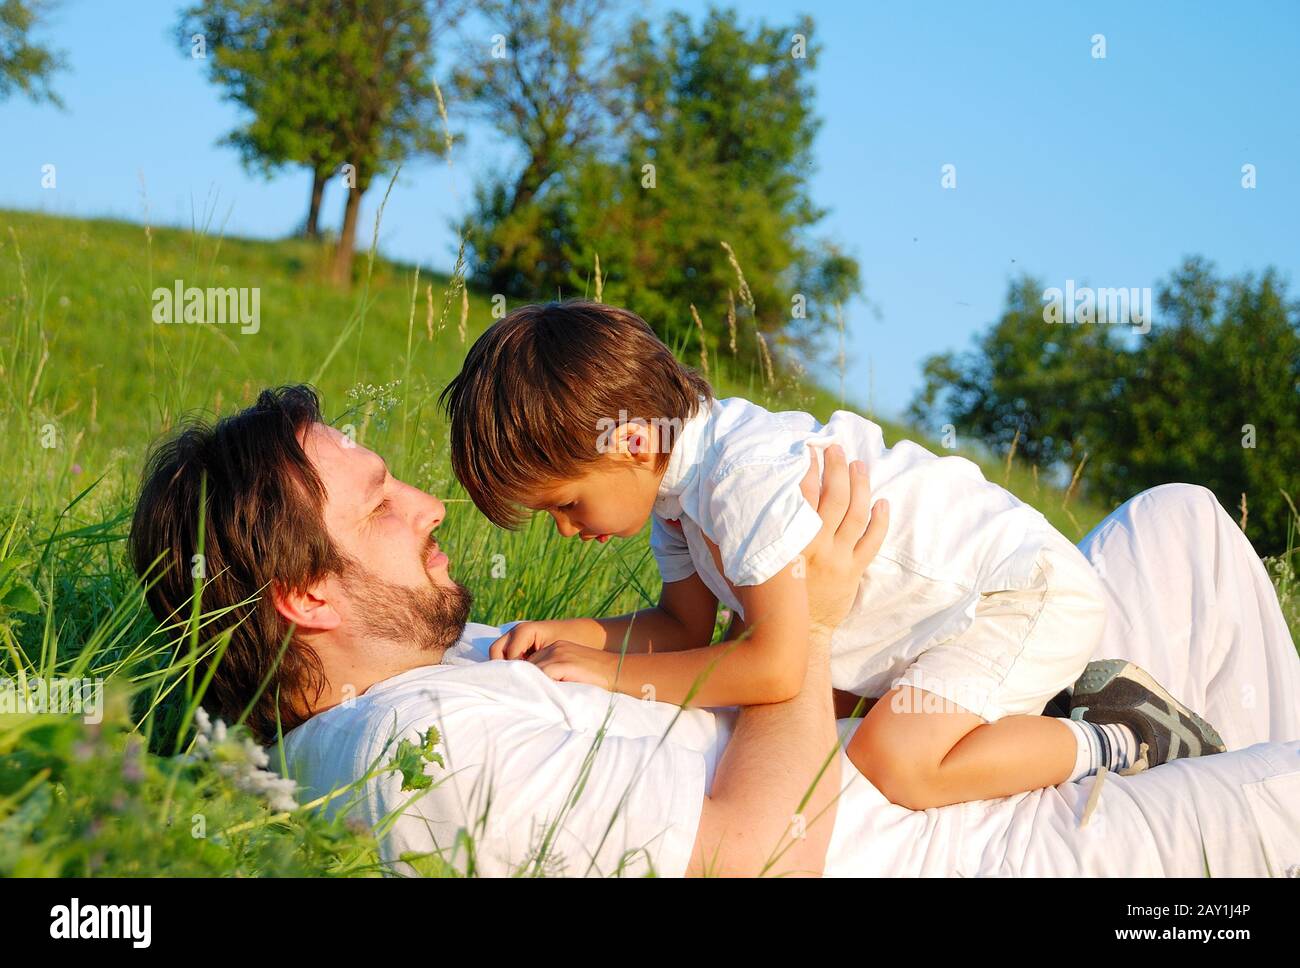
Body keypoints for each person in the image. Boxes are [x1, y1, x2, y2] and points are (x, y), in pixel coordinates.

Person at [129, 385, 1300, 877]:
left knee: (1183, 526)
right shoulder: (406, 751)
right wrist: (811, 615)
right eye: (382, 504)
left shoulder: (450, 657)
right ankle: (1168, 779)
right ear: (306, 597)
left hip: (950, 730)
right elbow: (755, 853)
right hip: (981, 843)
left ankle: (1190, 779)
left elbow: (678, 648)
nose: (429, 504)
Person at [438, 300, 1224, 810]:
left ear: (632, 442)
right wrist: (574, 636)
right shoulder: (675, 495)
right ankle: (1038, 710)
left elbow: (776, 666)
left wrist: (609, 674)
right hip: (934, 624)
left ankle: (1125, 734)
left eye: (566, 503)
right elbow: (680, 629)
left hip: (1017, 596)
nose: (565, 529)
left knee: (894, 761)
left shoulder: (739, 478)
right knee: (824, 717)